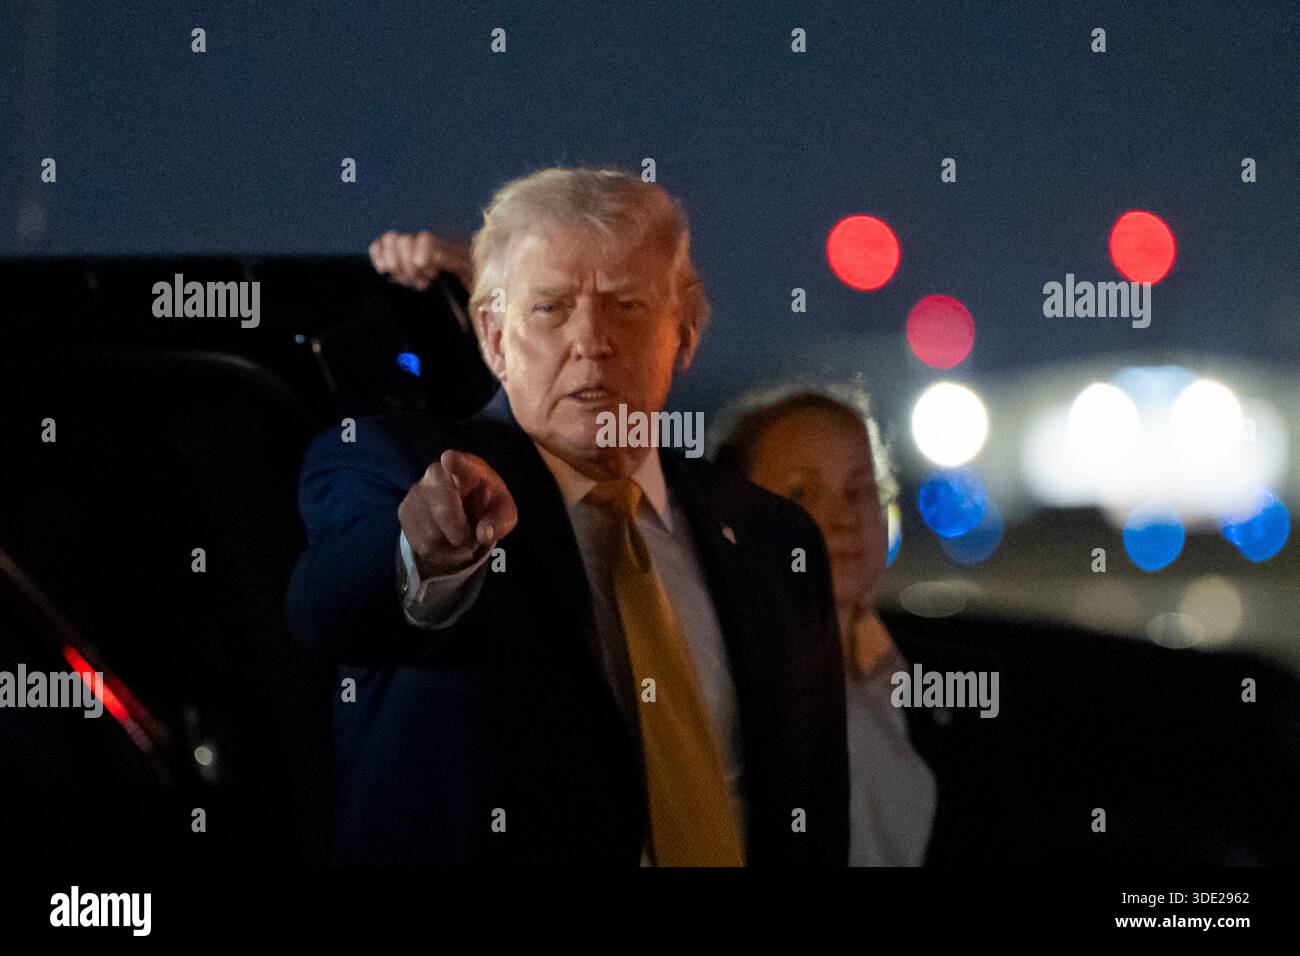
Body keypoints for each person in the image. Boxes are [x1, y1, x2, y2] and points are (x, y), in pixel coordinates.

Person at [287, 167, 849, 865]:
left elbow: (813, 814)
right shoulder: (400, 466)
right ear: (493, 337)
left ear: (687, 330)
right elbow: (329, 607)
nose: (591, 340)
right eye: (550, 309)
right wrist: (426, 557)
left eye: (628, 305)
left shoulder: (774, 539)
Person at [714, 386, 937, 866]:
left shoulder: (936, 685)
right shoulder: (715, 689)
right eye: (801, 494)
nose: (843, 518)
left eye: (859, 489)